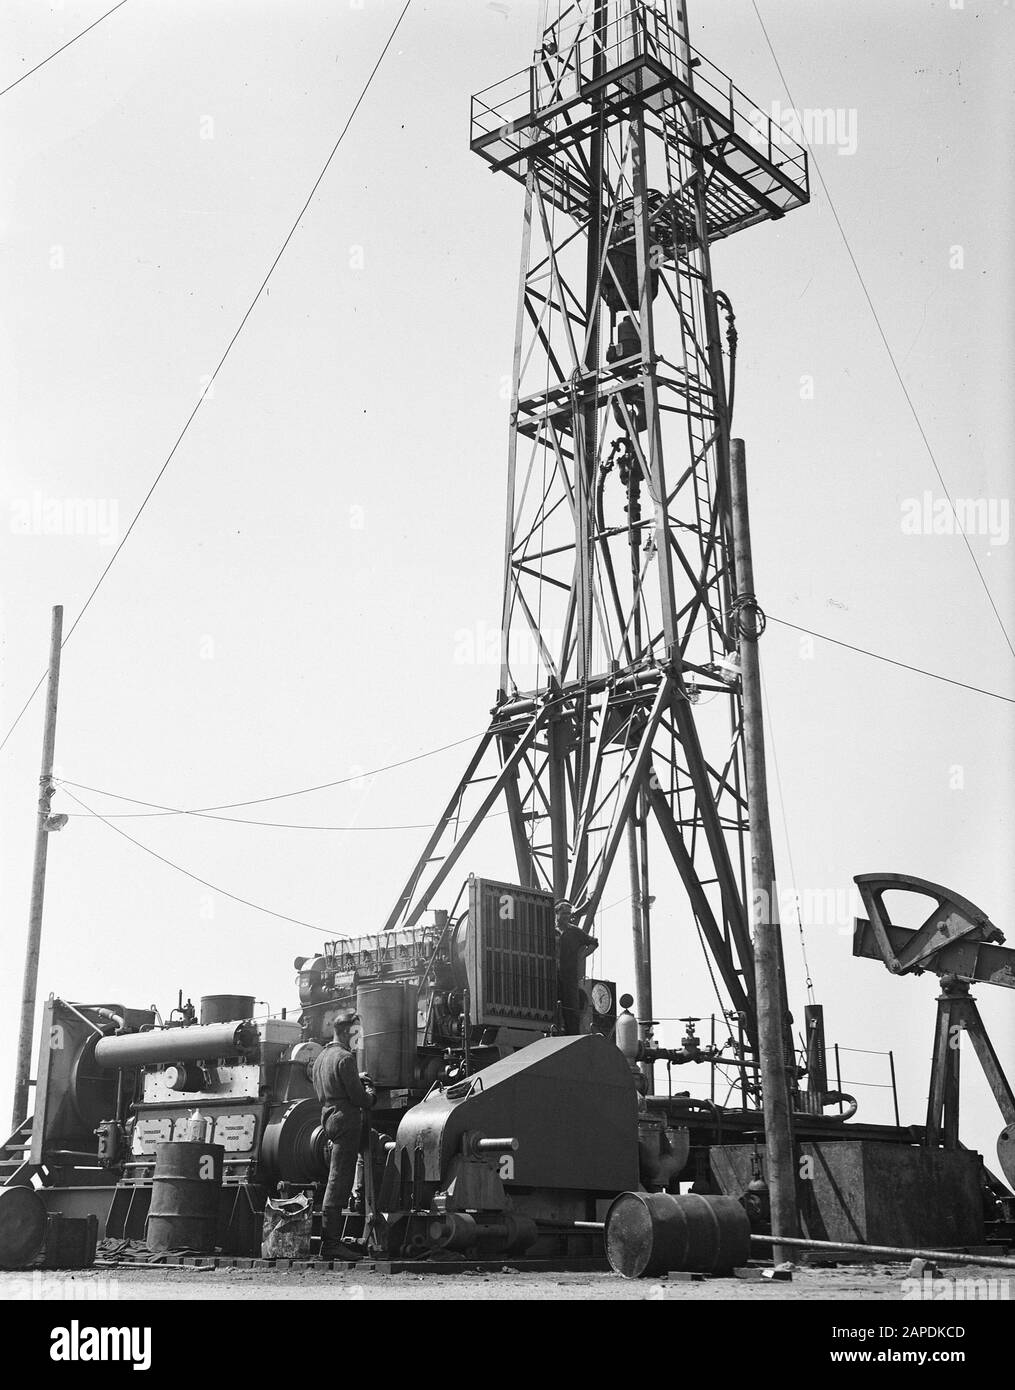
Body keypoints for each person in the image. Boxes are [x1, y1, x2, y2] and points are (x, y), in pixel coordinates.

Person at [311, 1011, 376, 1257]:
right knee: (339, 1182)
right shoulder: (346, 1059)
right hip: (347, 1121)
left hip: (328, 1117)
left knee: (336, 1178)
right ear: (349, 1031)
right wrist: (370, 1095)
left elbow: (330, 1084)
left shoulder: (321, 1057)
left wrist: (354, 1078)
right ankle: (331, 1244)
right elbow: (359, 1099)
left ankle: (334, 1241)